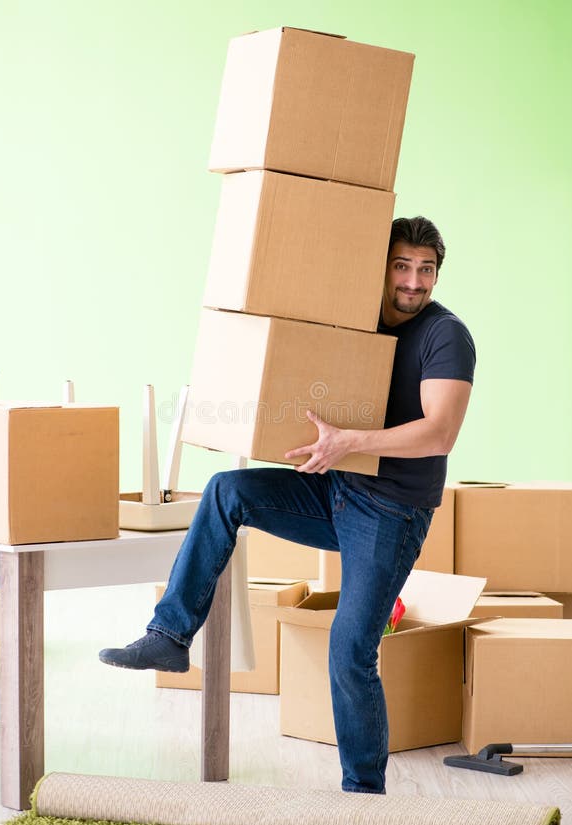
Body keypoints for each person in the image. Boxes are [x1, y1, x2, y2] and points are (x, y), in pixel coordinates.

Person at [99, 215, 476, 795]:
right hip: (336, 489)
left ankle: (365, 796)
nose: (413, 281)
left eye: (425, 270)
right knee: (226, 490)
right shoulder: (356, 322)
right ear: (381, 268)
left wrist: (348, 442)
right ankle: (169, 637)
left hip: (391, 513)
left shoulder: (445, 335)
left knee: (350, 650)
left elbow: (439, 433)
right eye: (402, 266)